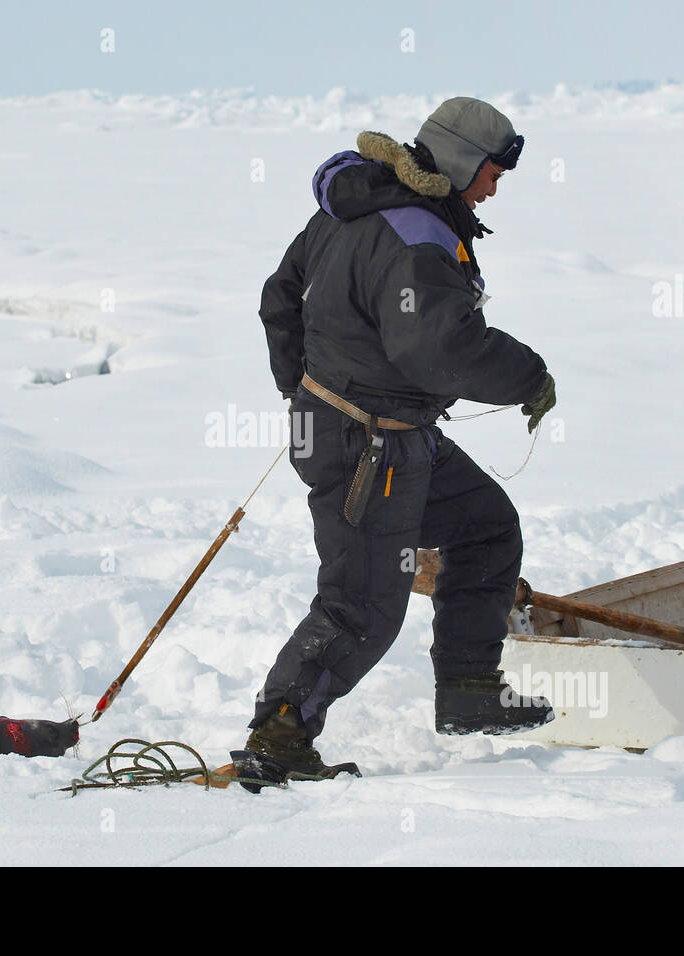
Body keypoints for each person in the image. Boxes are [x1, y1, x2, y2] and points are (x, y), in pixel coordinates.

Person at [239, 97, 558, 786]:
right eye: (493, 171)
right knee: (363, 602)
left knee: (485, 527)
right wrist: (528, 375)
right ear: (460, 161)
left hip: (378, 430)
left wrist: (301, 388)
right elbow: (439, 350)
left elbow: (279, 295)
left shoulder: (351, 205)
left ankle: (469, 689)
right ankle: (281, 732)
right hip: (370, 443)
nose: (497, 185)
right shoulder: (416, 232)